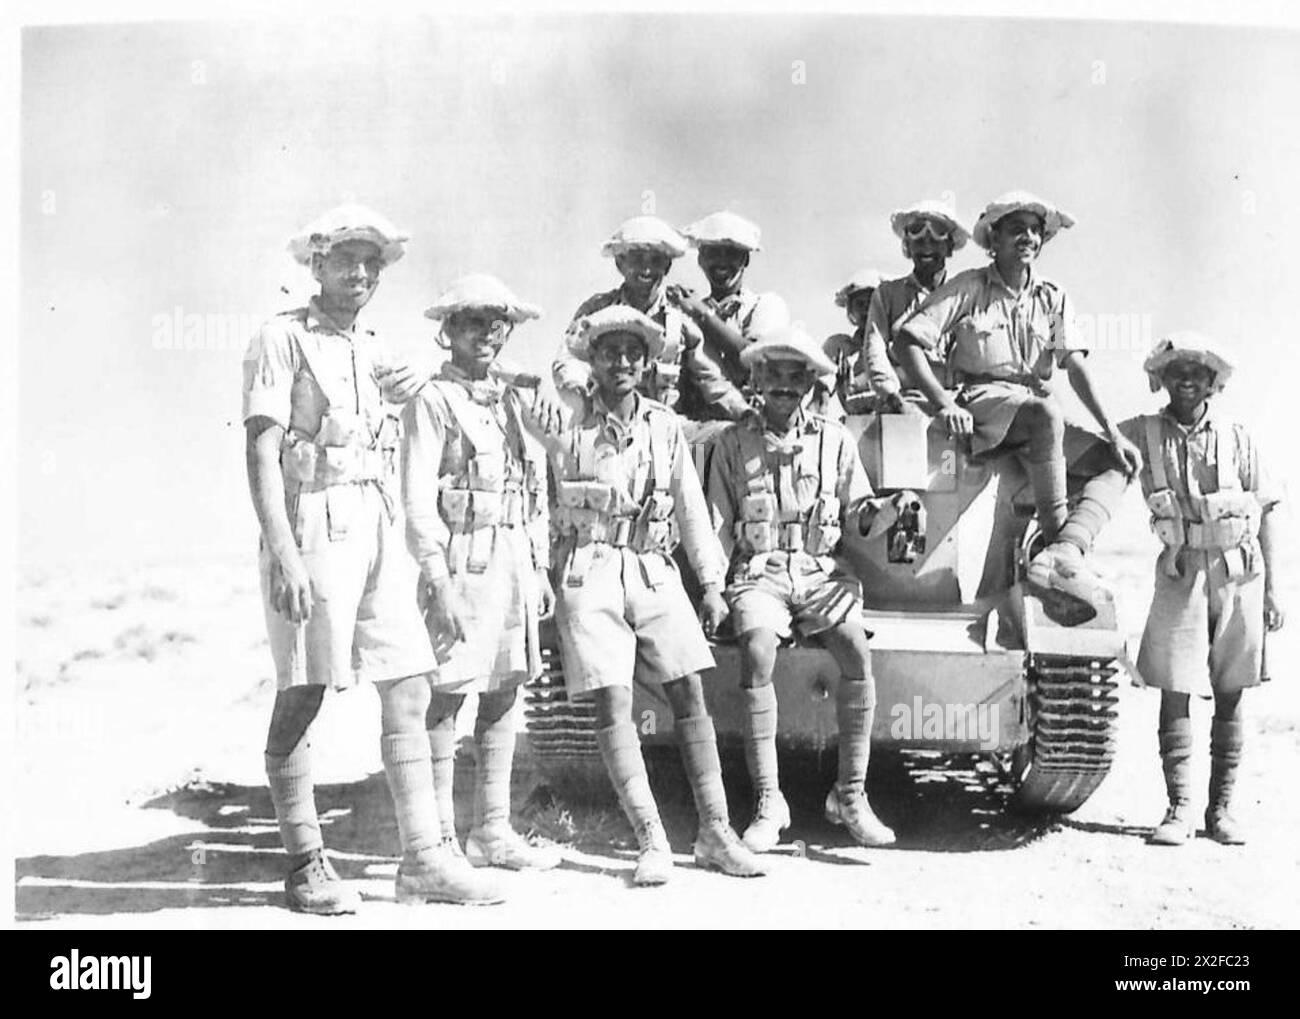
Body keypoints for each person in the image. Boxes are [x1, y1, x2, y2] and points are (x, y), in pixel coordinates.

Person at [242, 205, 499, 913]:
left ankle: (423, 859)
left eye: (373, 263)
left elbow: (443, 381)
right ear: (315, 264)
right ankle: (304, 863)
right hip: (313, 519)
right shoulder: (280, 338)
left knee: (410, 680)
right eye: (347, 259)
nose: (360, 273)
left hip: (377, 516)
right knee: (305, 688)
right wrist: (286, 553)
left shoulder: (376, 348)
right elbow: (262, 449)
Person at [541, 304, 766, 885]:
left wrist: (712, 586)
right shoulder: (565, 423)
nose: (621, 362)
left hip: (652, 567)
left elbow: (692, 512)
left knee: (690, 689)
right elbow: (541, 504)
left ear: (647, 364)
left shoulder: (665, 426)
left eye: (633, 353)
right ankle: (651, 839)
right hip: (587, 569)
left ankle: (715, 831)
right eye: (609, 351)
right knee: (612, 701)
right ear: (591, 359)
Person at [894, 191, 1140, 612]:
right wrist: (942, 404)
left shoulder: (1052, 297)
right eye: (1015, 229)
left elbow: (1074, 365)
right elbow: (908, 339)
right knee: (1046, 414)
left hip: (1036, 411)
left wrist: (1112, 431)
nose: (1027, 236)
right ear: (994, 238)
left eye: (1034, 230)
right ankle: (1057, 560)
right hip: (982, 402)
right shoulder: (971, 287)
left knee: (1117, 461)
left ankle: (1064, 550)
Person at [707, 324, 897, 852]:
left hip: (820, 573)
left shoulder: (835, 442)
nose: (785, 387)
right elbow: (720, 524)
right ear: (758, 380)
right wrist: (712, 588)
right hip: (759, 572)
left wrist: (882, 511)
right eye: (775, 376)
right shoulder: (733, 442)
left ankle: (851, 795)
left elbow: (858, 513)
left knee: (856, 649)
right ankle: (770, 800)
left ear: (813, 385)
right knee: (758, 649)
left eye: (798, 378)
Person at [401, 274, 562, 872]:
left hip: (514, 558)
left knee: (504, 688)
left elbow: (535, 485)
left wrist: (541, 566)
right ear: (448, 332)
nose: (486, 334)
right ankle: (439, 837)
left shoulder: (515, 400)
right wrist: (437, 579)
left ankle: (491, 829)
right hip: (462, 561)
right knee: (448, 694)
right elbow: (418, 499)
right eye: (472, 322)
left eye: (497, 323)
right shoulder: (433, 401)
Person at [1117, 333, 1284, 846]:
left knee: (1231, 692)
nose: (1186, 379)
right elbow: (1090, 448)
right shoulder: (1141, 433)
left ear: (1214, 381)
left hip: (1239, 573)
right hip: (1180, 569)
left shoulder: (1239, 435)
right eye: (1175, 371)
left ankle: (1221, 810)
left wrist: (1274, 588)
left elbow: (1267, 509)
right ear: (1160, 380)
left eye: (1197, 372)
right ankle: (1179, 809)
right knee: (1175, 685)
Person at [551, 216, 750, 434]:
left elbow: (711, 379)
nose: (646, 270)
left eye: (655, 261)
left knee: (723, 438)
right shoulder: (597, 311)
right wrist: (578, 395)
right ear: (620, 263)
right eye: (637, 260)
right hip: (604, 426)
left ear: (667, 266)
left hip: (666, 432)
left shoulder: (680, 317)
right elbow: (568, 359)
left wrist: (744, 413)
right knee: (560, 435)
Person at [667, 210, 790, 403]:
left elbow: (756, 357)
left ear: (745, 259)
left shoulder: (766, 305)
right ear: (700, 259)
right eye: (713, 252)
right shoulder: (689, 308)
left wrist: (702, 314)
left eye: (732, 253)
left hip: (750, 420)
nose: (722, 261)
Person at [864, 198, 971, 399]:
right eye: (919, 241)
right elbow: (874, 347)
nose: (926, 248)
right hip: (905, 400)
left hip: (961, 401)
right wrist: (890, 395)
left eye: (936, 241)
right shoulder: (887, 294)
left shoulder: (966, 294)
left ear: (949, 247)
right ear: (907, 246)